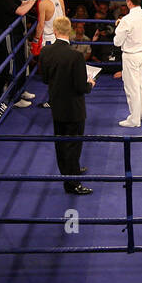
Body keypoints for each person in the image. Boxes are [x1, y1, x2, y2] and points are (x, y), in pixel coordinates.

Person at [37, 16, 95, 196]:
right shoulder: (75, 56)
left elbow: (45, 79)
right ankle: (72, 183)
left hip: (57, 105)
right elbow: (80, 87)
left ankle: (71, 171)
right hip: (74, 108)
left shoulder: (46, 52)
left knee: (61, 142)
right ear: (69, 31)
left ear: (54, 30)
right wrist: (90, 83)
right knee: (73, 144)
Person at [0, 0, 40, 109]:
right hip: (9, 36)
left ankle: (20, 90)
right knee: (13, 66)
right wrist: (34, 0)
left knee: (21, 63)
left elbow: (22, 4)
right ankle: (13, 97)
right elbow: (21, 11)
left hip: (18, 35)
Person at [113, 0, 142, 128]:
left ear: (129, 2)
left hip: (131, 55)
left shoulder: (126, 20)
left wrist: (118, 27)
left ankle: (134, 119)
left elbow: (117, 42)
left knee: (132, 88)